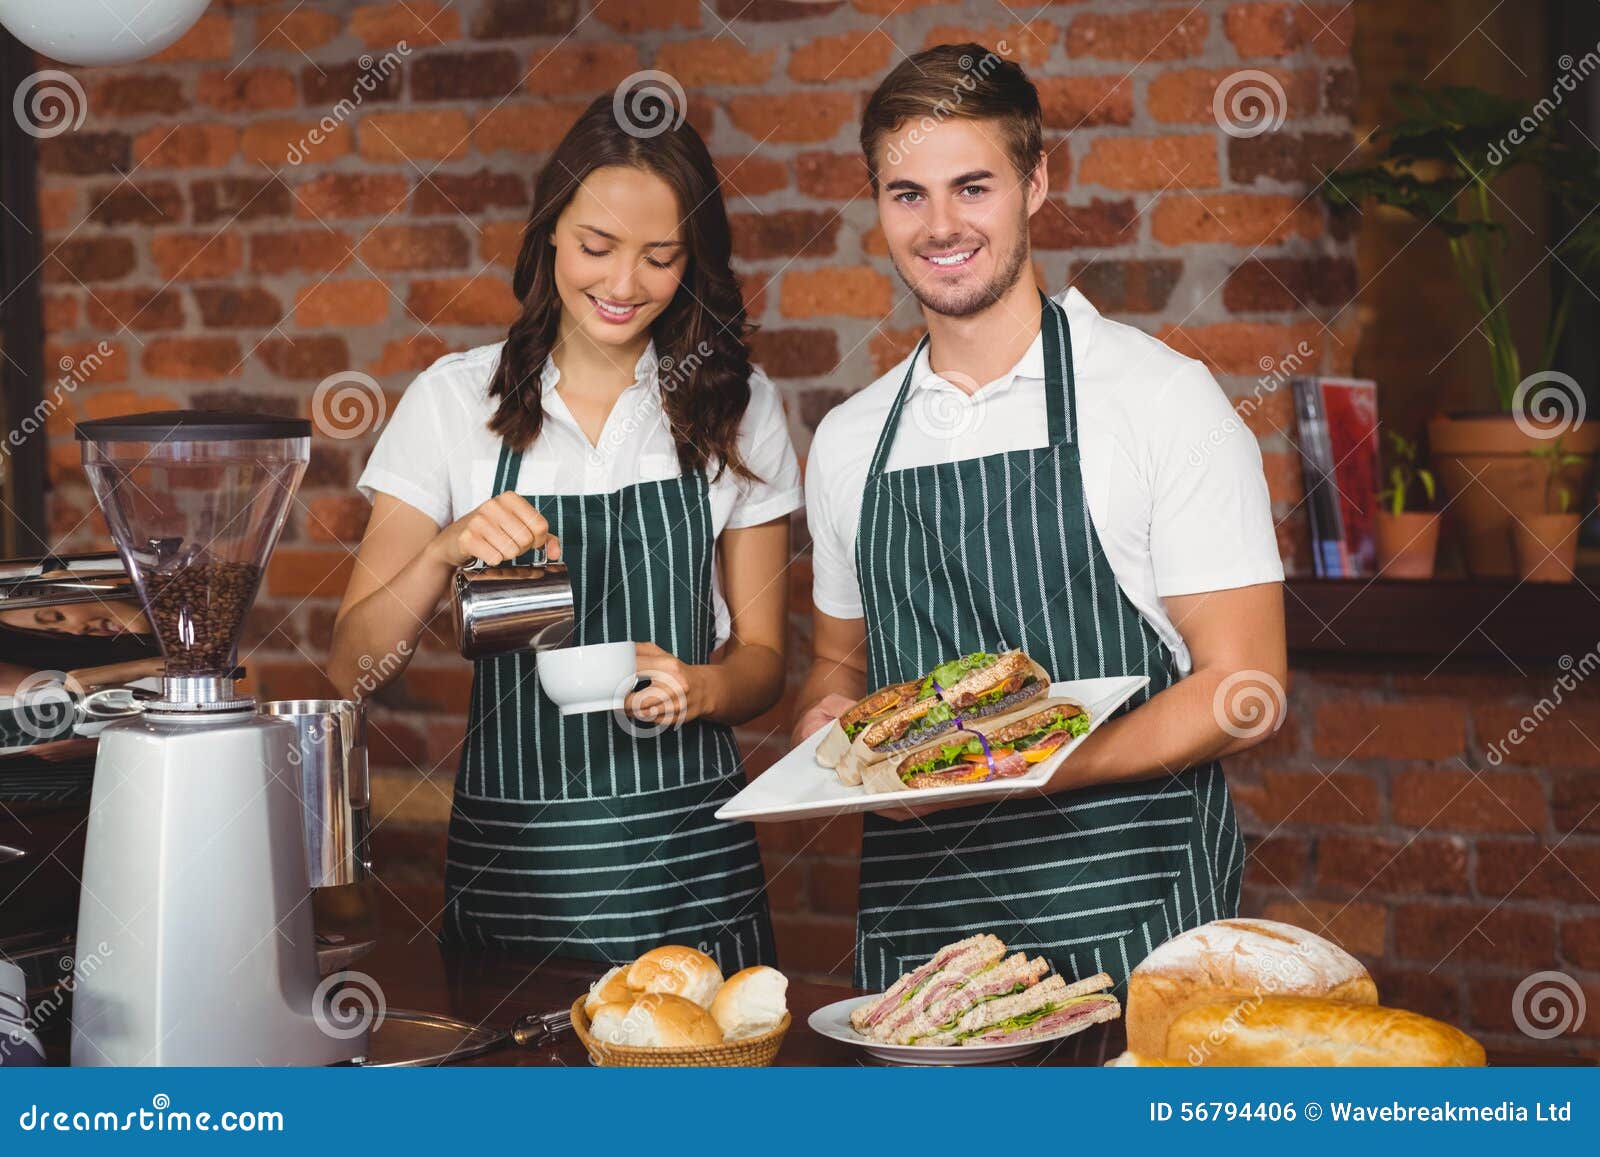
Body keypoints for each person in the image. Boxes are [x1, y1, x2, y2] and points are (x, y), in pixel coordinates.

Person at [792, 46, 1288, 991]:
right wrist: (826, 721)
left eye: (972, 187)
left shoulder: (1159, 398)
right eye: (907, 194)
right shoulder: (851, 441)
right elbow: (838, 665)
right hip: (922, 941)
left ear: (1035, 183)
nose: (941, 226)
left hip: (1133, 919)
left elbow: (1246, 685)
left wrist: (1027, 767)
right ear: (877, 204)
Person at [332, 94, 801, 970]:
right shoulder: (453, 402)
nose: (623, 286)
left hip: (689, 866)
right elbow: (349, 664)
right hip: (518, 871)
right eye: (596, 246)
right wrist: (441, 551)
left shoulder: (738, 406)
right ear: (549, 231)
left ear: (692, 259)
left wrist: (701, 688)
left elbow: (766, 662)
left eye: (660, 258)